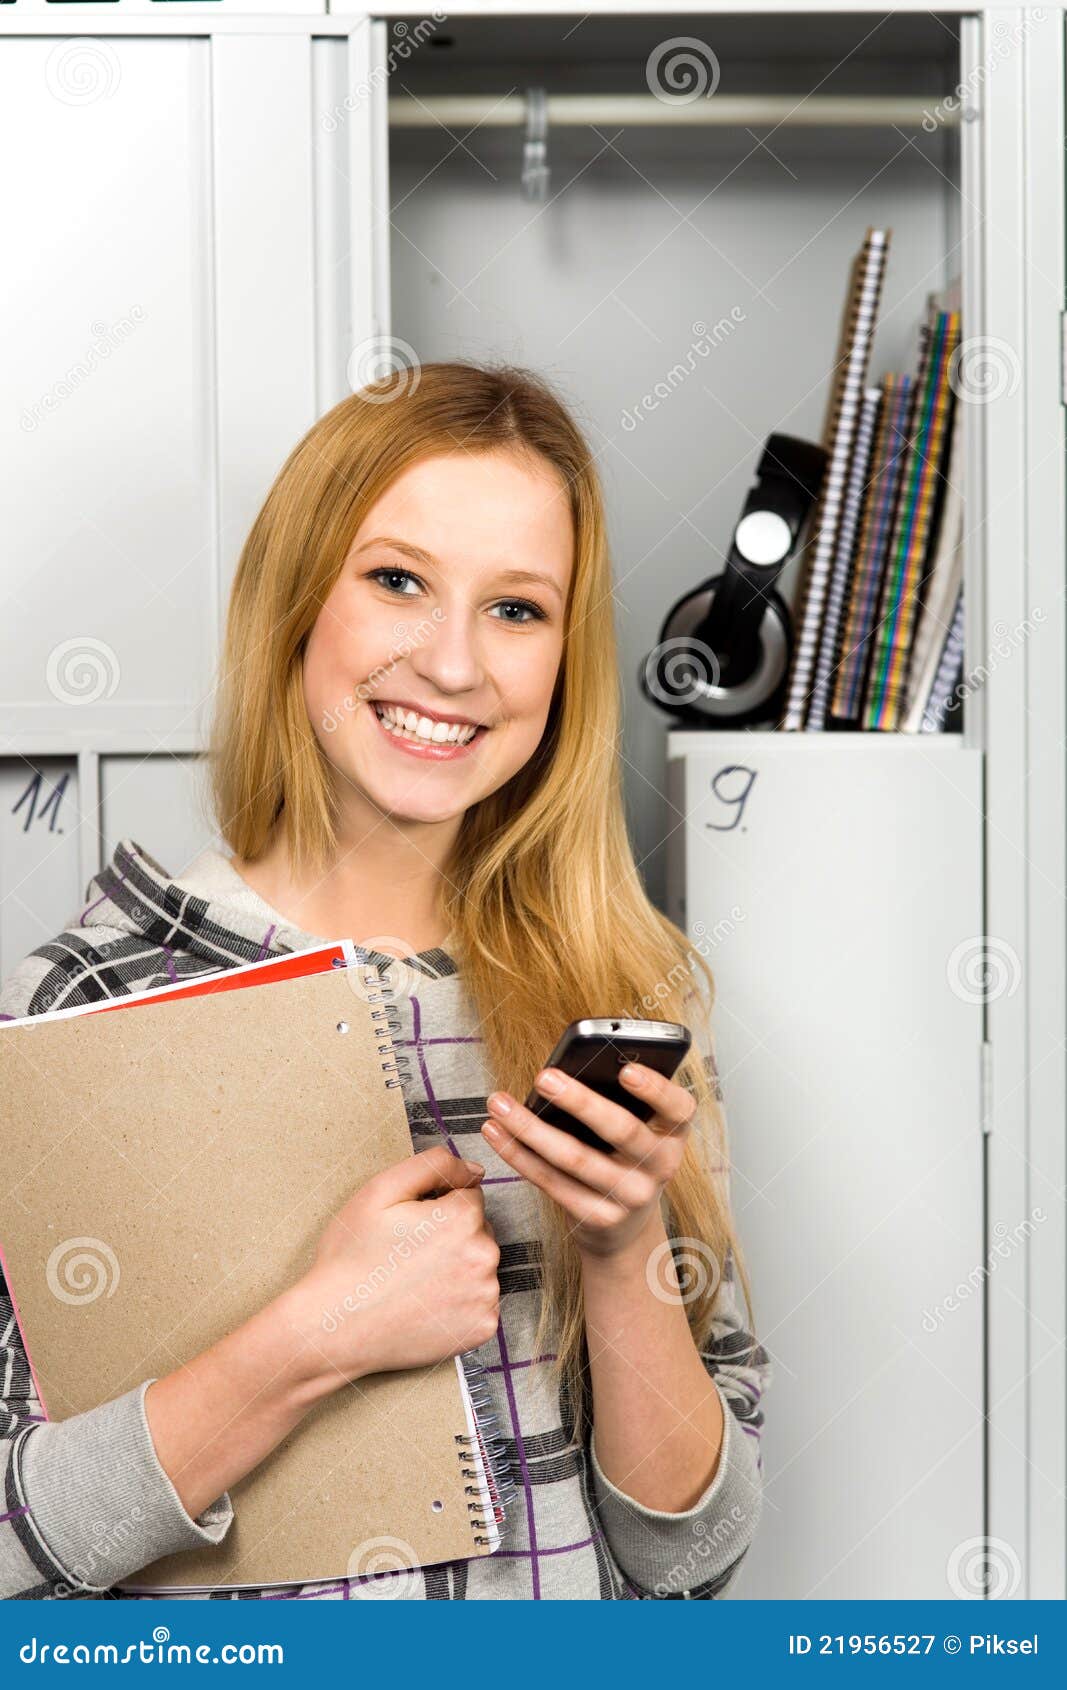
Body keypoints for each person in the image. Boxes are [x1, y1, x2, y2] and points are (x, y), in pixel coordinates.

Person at [0, 360, 769, 1601]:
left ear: (563, 660)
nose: (453, 665)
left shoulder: (630, 994)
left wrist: (623, 1252)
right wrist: (319, 1335)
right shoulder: (83, 1001)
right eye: (398, 581)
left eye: (515, 608)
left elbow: (689, 1561)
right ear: (298, 598)